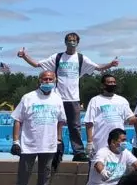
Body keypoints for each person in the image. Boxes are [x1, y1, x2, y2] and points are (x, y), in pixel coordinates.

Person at [17, 33, 119, 161]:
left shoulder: (81, 58)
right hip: (57, 98)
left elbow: (98, 68)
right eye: (70, 40)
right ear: (65, 42)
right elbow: (37, 65)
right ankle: (55, 150)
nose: (72, 43)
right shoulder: (58, 57)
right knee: (54, 125)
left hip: (74, 98)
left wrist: (111, 64)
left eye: (74, 40)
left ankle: (78, 152)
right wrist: (25, 56)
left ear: (78, 42)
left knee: (75, 126)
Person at [10, 70, 66, 185]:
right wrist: (16, 141)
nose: (47, 82)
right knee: (23, 177)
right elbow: (17, 120)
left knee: (45, 177)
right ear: (39, 80)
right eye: (45, 79)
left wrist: (59, 139)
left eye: (50, 79)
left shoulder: (57, 99)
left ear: (54, 81)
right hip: (29, 145)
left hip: (49, 145)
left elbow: (61, 121)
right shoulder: (28, 98)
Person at [81, 74, 137, 185]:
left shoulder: (122, 100)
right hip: (100, 142)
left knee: (114, 172)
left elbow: (130, 118)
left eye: (113, 82)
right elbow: (89, 122)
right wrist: (89, 141)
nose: (111, 84)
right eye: (108, 82)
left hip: (116, 145)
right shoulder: (95, 101)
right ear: (103, 85)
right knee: (94, 172)